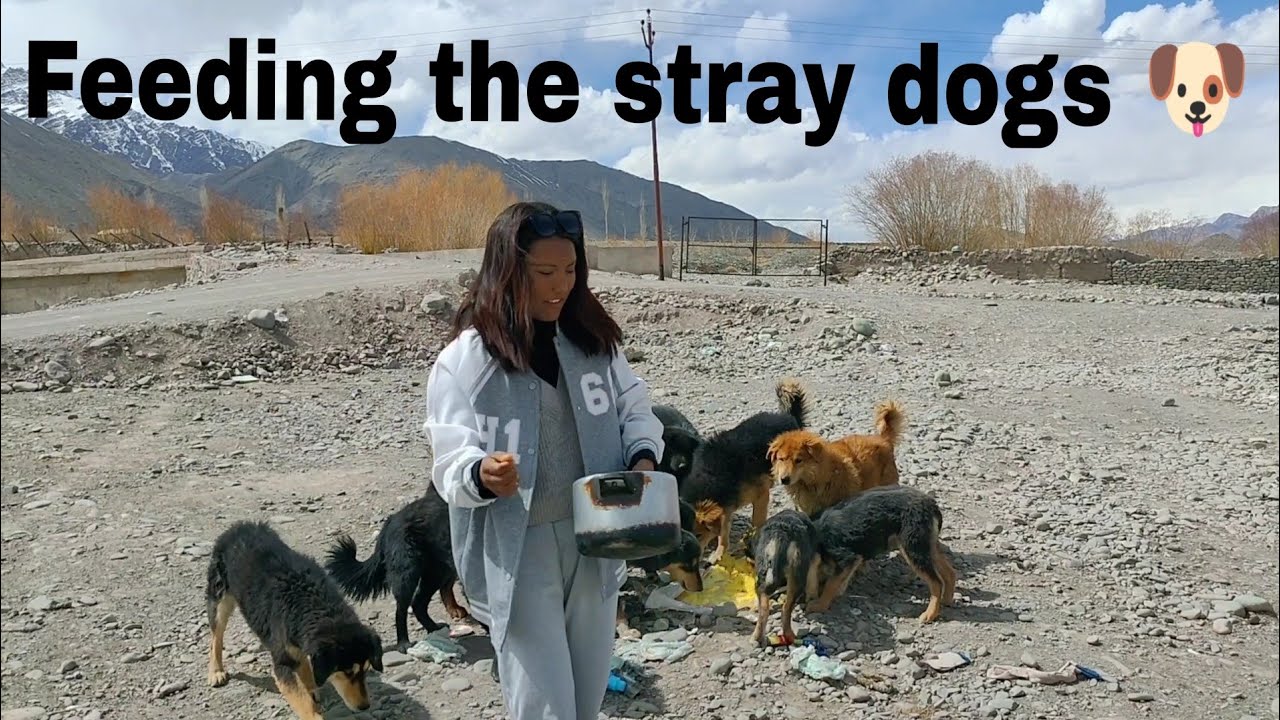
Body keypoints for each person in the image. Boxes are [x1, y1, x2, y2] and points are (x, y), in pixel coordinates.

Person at [424, 201, 665, 719]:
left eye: (571, 270)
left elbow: (635, 408)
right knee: (542, 700)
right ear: (509, 273)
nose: (561, 285)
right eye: (545, 272)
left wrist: (642, 459)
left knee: (586, 691)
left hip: (598, 537)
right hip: (519, 547)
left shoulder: (594, 344)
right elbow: (449, 458)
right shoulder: (466, 361)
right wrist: (481, 475)